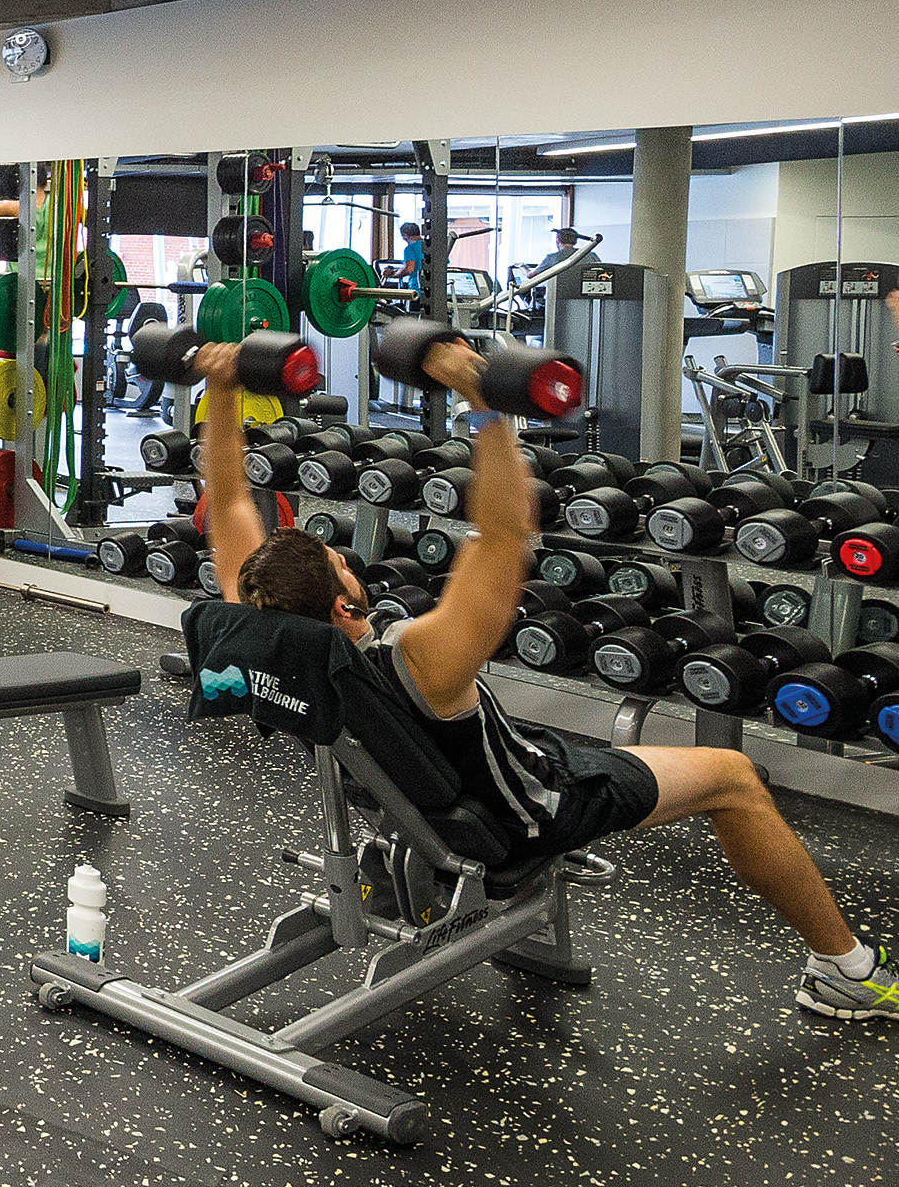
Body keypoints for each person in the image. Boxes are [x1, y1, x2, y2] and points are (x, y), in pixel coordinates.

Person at [188, 335, 889, 1018]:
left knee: (562, 749)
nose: (351, 561)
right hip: (523, 812)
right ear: (344, 605)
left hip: (410, 798)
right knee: (734, 779)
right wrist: (484, 403)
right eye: (341, 564)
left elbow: (226, 509)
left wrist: (222, 395)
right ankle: (844, 971)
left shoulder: (264, 637)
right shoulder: (419, 658)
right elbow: (500, 536)